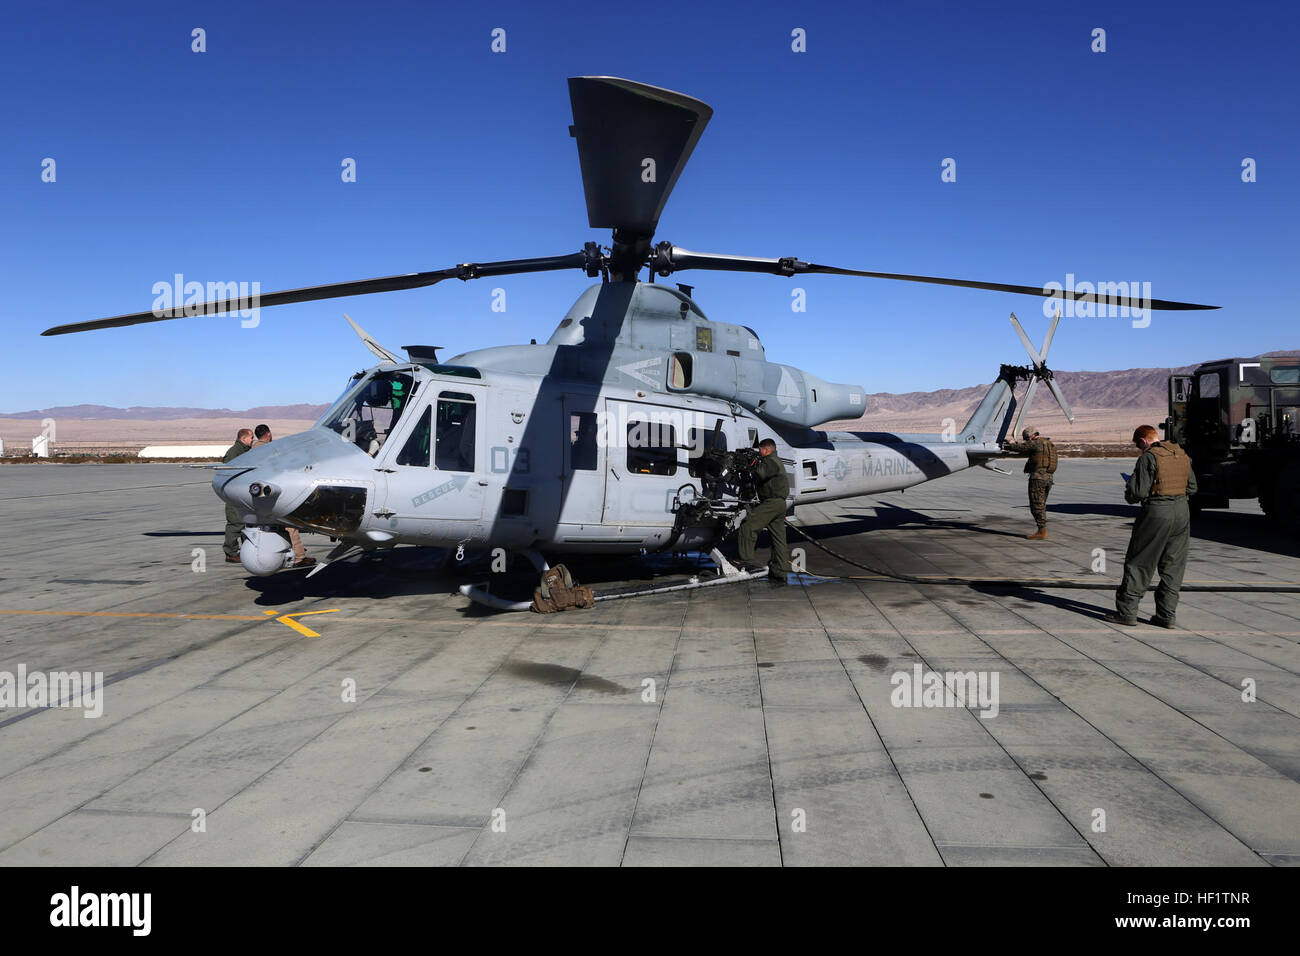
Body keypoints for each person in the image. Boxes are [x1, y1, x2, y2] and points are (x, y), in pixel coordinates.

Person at [1105, 424, 1198, 628]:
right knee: (1173, 565)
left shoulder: (1148, 457)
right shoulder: (1181, 454)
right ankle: (1166, 615)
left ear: (1144, 441)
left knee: (1139, 562)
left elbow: (1136, 494)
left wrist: (1130, 486)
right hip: (1182, 512)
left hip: (1158, 513)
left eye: (1139, 445)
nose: (1140, 449)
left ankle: (1127, 612)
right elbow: (1192, 487)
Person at [248, 425, 315, 569]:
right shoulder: (270, 451)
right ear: (268, 434)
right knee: (291, 525)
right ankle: (299, 557)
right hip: (271, 495)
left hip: (257, 497)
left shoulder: (251, 452)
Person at [736, 439, 791, 585]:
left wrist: (751, 463)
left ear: (766, 450)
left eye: (760, 450)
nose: (759, 452)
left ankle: (746, 561)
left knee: (748, 525)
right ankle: (780, 571)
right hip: (779, 503)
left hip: (772, 503)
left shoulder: (771, 461)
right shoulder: (774, 460)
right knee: (778, 538)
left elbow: (760, 473)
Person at [1001, 426, 1058, 539]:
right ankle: (1042, 530)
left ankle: (1041, 532)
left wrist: (1010, 444)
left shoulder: (1035, 443)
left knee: (1036, 505)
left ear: (1030, 436)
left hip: (1038, 478)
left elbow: (1020, 448)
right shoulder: (1048, 444)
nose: (1027, 440)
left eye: (1027, 439)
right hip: (1048, 478)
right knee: (1041, 504)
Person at [221, 428, 254, 563]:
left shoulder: (244, 452)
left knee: (245, 524)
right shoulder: (234, 453)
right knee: (235, 524)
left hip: (242, 495)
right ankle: (231, 552)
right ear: (244, 439)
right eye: (251, 438)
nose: (253, 440)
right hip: (234, 495)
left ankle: (245, 551)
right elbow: (227, 473)